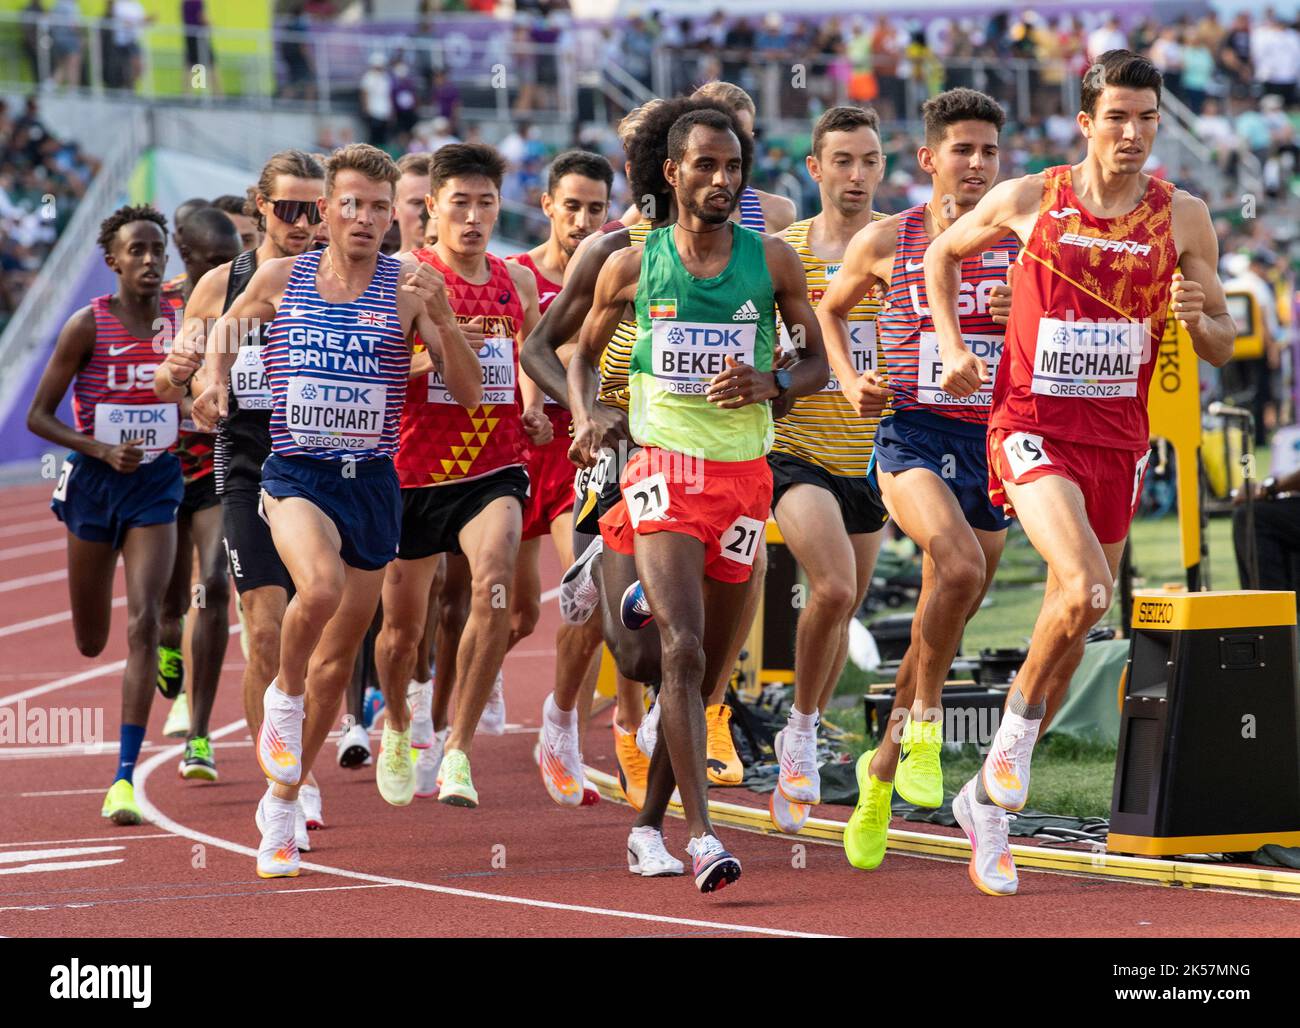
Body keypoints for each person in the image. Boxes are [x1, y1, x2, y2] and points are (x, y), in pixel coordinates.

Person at [925, 50, 1235, 895]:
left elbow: (1220, 345)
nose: (1133, 135)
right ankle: (1010, 765)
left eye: (1147, 120)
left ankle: (988, 799)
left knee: (1072, 626)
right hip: (1031, 426)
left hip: (1116, 444)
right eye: (1118, 118)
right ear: (1086, 123)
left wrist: (1203, 314)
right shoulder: (1033, 197)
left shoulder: (1188, 218)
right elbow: (942, 256)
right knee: (1089, 589)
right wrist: (954, 346)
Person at [190, 143, 481, 878]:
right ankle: (280, 707)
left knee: (334, 668)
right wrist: (213, 379)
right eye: (350, 204)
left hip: (373, 485)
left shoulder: (411, 287)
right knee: (313, 590)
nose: (365, 218)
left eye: (380, 207)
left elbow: (470, 394)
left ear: (394, 217)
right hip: (295, 473)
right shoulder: (284, 278)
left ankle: (282, 807)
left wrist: (443, 318)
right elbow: (230, 324)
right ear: (326, 211)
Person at [572, 108, 829, 893]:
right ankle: (704, 837)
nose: (722, 181)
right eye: (706, 166)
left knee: (707, 673)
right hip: (662, 471)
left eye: (734, 167)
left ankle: (649, 825)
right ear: (671, 173)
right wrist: (589, 415)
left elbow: (817, 362)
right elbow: (577, 358)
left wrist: (774, 380)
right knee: (677, 651)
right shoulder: (630, 264)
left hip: (744, 479)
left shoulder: (774, 261)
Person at [523, 97, 749, 840]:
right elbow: (540, 350)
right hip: (618, 449)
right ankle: (572, 711)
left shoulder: (737, 247)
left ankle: (676, 733)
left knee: (680, 650)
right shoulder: (612, 250)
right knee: (630, 648)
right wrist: (586, 416)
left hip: (701, 456)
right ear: (663, 169)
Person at [819, 88, 1017, 872]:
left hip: (993, 448)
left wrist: (1020, 305)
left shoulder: (1020, 239)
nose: (976, 165)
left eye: (990, 152)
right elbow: (831, 311)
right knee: (959, 565)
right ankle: (929, 725)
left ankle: (878, 780)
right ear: (930, 157)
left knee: (941, 623)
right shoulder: (888, 240)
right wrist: (848, 380)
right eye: (962, 150)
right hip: (911, 436)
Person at [372, 143, 542, 810]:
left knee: (494, 584)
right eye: (460, 204)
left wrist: (533, 406)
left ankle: (459, 749)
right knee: (399, 633)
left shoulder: (516, 280)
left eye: (486, 204)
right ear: (431, 210)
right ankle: (396, 725)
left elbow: (531, 356)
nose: (474, 217)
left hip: (492, 465)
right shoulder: (403, 278)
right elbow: (379, 372)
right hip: (412, 471)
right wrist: (444, 351)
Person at [162, 151, 328, 829]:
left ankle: (302, 746)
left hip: (326, 465)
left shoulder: (343, 277)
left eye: (317, 209)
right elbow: (188, 375)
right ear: (260, 207)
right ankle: (286, 782)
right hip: (249, 463)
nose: (304, 223)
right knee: (263, 626)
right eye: (289, 208)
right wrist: (195, 383)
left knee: (316, 635)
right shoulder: (219, 285)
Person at [26, 204, 183, 826]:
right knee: (92, 641)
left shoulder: (181, 322)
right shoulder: (85, 326)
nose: (149, 261)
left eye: (157, 251)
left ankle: (123, 779)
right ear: (113, 261)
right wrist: (99, 448)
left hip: (157, 486)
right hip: (94, 485)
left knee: (143, 622)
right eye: (136, 251)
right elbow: (40, 415)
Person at [763, 105, 891, 835]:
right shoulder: (779, 252)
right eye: (841, 160)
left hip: (871, 458)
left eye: (869, 160)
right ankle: (803, 731)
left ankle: (799, 727)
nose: (856, 174)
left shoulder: (905, 247)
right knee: (833, 585)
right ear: (815, 169)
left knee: (842, 609)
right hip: (794, 449)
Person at [505, 149, 613, 806]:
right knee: (512, 613)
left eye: (595, 208)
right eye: (570, 206)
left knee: (589, 595)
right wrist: (530, 405)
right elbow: (530, 348)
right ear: (546, 205)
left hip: (584, 457)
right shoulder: (519, 274)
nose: (581, 219)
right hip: (525, 450)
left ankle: (562, 725)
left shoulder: (612, 268)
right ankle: (464, 697)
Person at [152, 206, 241, 779]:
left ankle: (201, 735)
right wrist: (187, 394)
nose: (223, 271)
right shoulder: (156, 302)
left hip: (215, 467)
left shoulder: (247, 292)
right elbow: (157, 380)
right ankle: (167, 642)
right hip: (160, 469)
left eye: (229, 260)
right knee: (166, 602)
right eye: (212, 262)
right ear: (185, 255)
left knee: (211, 585)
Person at [620, 82, 797, 235]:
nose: (728, 144)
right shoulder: (650, 212)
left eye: (738, 135)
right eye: (715, 132)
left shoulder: (778, 212)